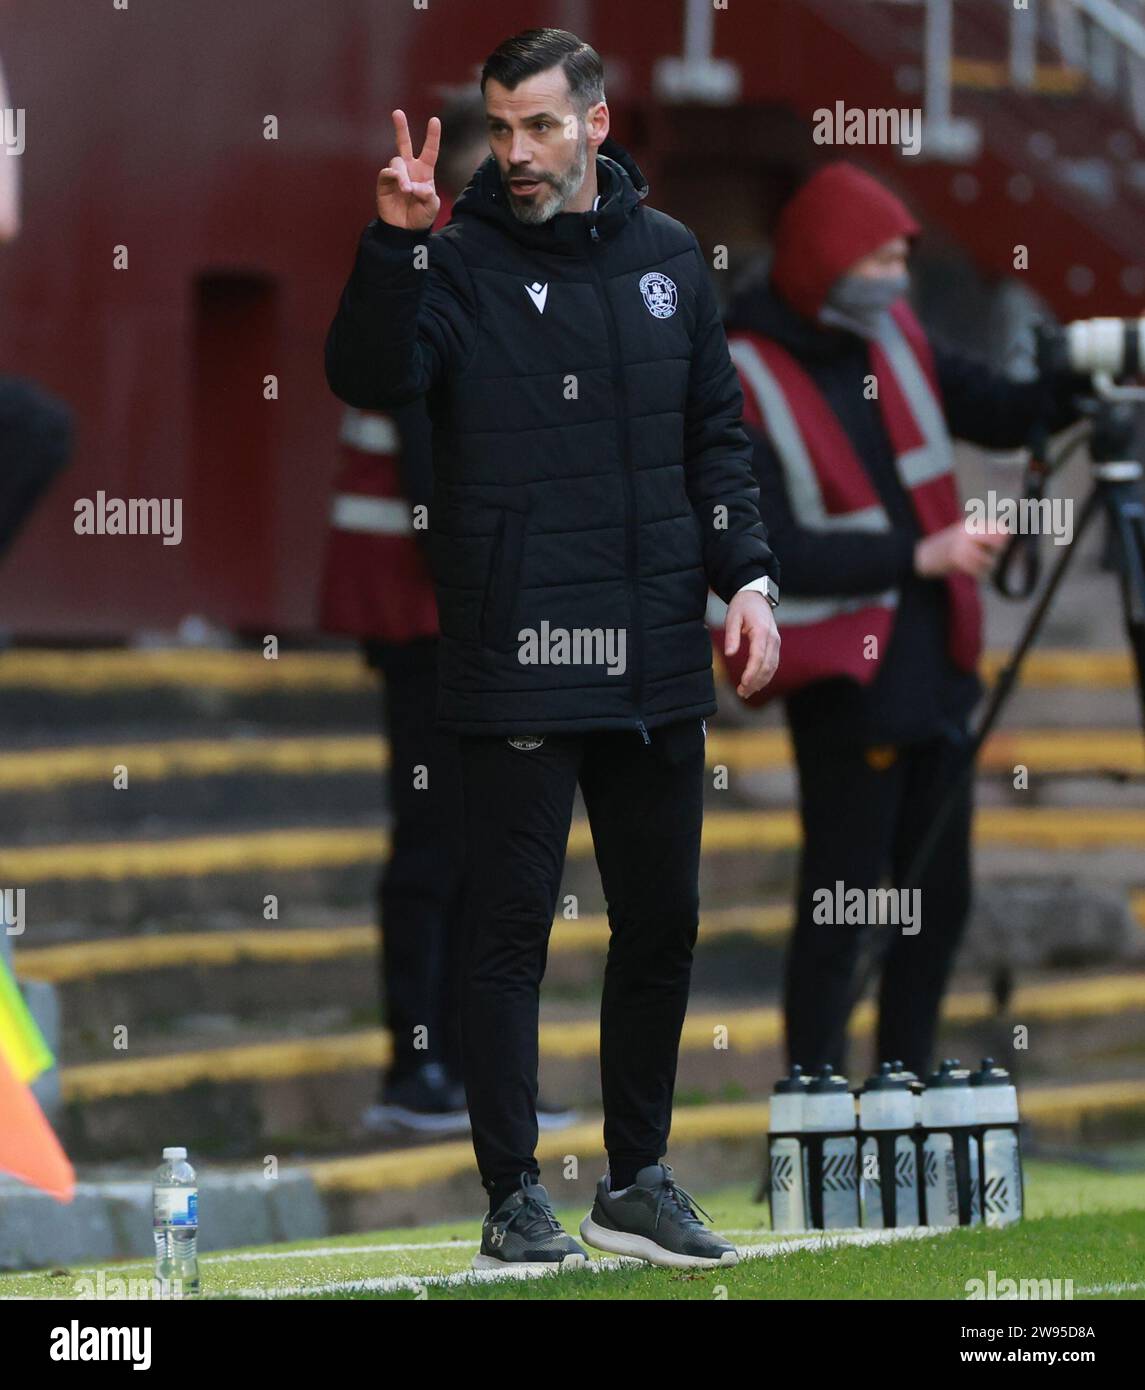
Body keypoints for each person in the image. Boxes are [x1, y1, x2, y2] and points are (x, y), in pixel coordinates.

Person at [325, 28, 780, 1269]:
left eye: (537, 125)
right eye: (500, 126)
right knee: (508, 933)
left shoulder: (672, 259)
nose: (514, 152)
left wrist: (744, 578)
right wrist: (393, 247)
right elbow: (366, 377)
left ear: (594, 125)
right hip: (514, 648)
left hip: (653, 657)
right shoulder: (453, 259)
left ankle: (635, 1178)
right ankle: (514, 1196)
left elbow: (716, 439)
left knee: (662, 922)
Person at [717, 162, 1086, 1080]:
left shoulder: (897, 336)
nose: (894, 277)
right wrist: (915, 555)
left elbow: (998, 412)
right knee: (843, 902)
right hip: (842, 679)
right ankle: (811, 1101)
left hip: (934, 664)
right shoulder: (743, 371)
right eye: (876, 258)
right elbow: (764, 542)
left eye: (900, 258)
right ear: (823, 262)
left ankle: (905, 1090)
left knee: (939, 897)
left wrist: (1077, 376)